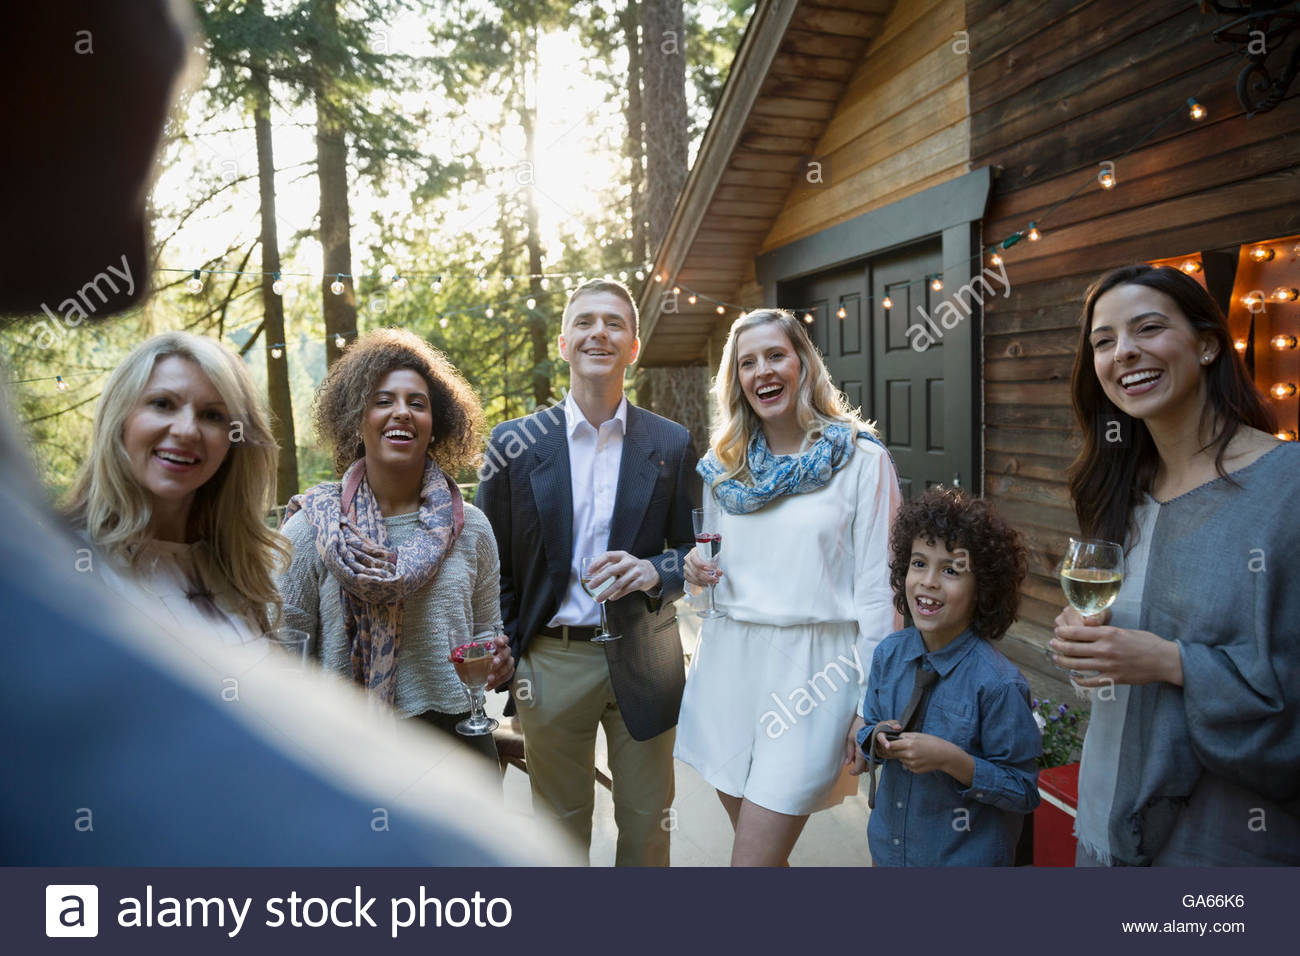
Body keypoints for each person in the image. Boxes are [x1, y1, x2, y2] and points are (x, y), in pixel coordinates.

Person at [1, 0, 573, 865]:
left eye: (419, 402)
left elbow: (481, 647)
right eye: (162, 406)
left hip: (452, 744)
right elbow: (290, 677)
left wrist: (491, 681)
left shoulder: (269, 559)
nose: (402, 414)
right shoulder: (297, 535)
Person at [1053, 263, 1300, 866]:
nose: (1124, 353)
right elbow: (1127, 629)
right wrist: (1087, 642)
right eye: (1104, 341)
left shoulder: (1286, 489)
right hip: (1109, 804)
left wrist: (1168, 661)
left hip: (1225, 837)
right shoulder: (1117, 491)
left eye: (1148, 328)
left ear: (1209, 343)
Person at [476, 278, 699, 866]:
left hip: (647, 655)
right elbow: (491, 565)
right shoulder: (513, 445)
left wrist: (654, 571)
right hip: (551, 662)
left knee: (649, 827)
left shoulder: (672, 444)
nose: (599, 331)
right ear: (563, 342)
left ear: (633, 346)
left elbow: (698, 553)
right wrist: (513, 655)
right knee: (557, 831)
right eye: (584, 321)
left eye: (614, 323)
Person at [676, 307, 900, 867]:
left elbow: (881, 594)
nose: (762, 372)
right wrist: (693, 577)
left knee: (749, 865)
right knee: (764, 862)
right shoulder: (724, 471)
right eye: (747, 363)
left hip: (814, 677)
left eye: (775, 355)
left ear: (804, 363)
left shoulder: (862, 461)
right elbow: (710, 589)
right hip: (727, 669)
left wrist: (869, 701)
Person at [277, 329, 512, 762]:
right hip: (349, 753)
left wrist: (498, 658)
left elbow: (487, 631)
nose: (401, 412)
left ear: (436, 423)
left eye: (417, 403)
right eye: (383, 401)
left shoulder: (472, 527)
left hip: (462, 745)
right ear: (355, 418)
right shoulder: (312, 531)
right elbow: (282, 659)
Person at [853, 488, 1040, 866]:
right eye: (919, 563)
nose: (929, 581)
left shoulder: (999, 685)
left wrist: (954, 761)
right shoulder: (889, 655)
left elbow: (1023, 791)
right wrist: (875, 738)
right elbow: (867, 727)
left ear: (982, 590)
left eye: (951, 570)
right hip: (888, 855)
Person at [64, 331, 286, 643]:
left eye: (212, 415)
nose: (186, 431)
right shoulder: (63, 561)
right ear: (120, 419)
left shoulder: (237, 567)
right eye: (163, 404)